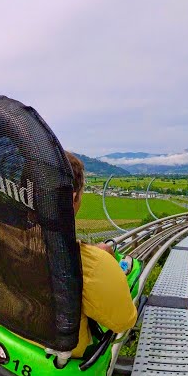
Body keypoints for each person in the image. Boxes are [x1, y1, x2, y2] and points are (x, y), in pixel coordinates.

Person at [65, 152, 138, 357]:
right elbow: (124, 320)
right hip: (63, 359)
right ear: (73, 198)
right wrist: (97, 258)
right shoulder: (89, 265)